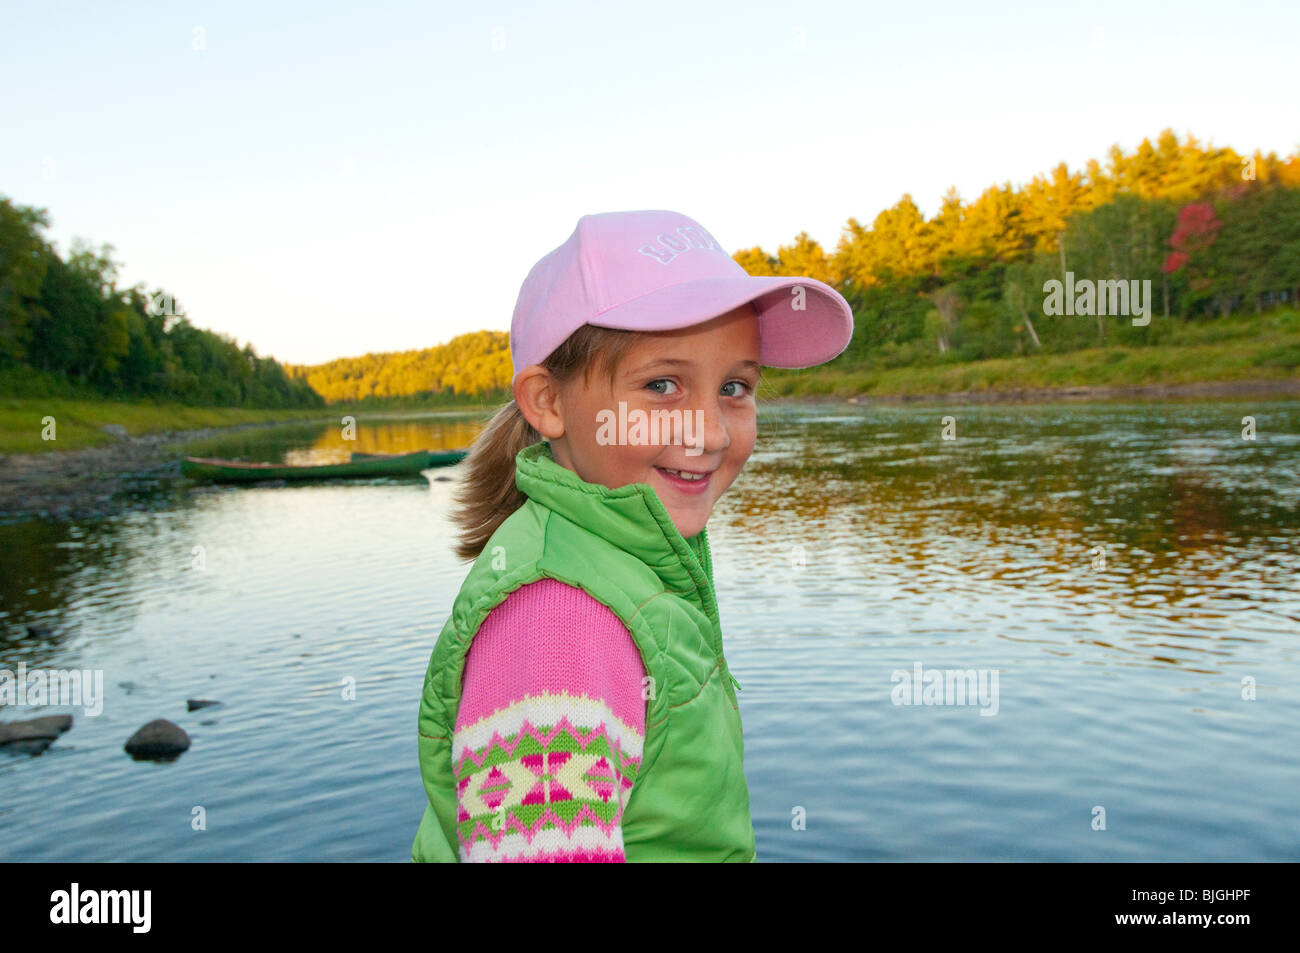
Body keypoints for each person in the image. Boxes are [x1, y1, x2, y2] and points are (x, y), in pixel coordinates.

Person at [411, 209, 854, 862]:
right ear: (548, 402)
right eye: (662, 385)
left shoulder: (625, 563)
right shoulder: (563, 619)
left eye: (735, 387)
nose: (710, 432)